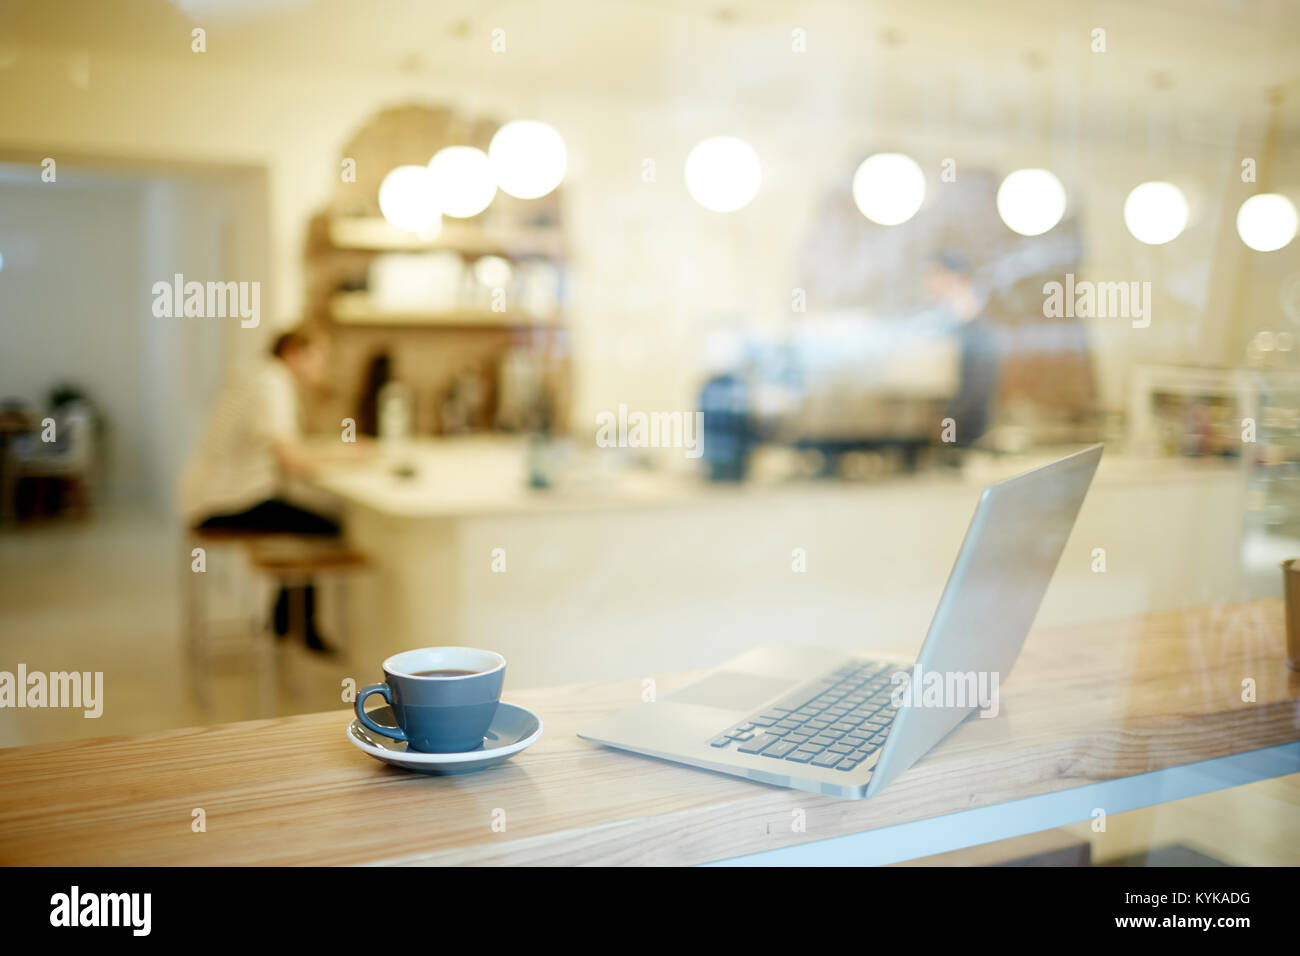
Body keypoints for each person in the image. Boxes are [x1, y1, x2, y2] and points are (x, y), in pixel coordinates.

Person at [182, 328, 363, 652]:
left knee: (303, 519)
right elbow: (291, 460)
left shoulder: (261, 377)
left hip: (215, 497)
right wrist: (349, 455)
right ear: (295, 352)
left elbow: (285, 450)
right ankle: (295, 622)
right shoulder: (272, 383)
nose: (322, 369)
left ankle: (283, 619)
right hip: (227, 502)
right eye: (319, 358)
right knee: (326, 526)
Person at [925, 252, 999, 449]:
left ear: (955, 277)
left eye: (935, 275)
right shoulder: (944, 327)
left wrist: (946, 434)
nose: (930, 283)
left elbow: (974, 392)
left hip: (966, 439)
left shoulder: (977, 332)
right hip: (952, 437)